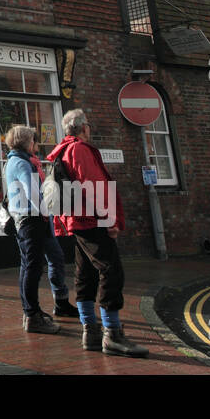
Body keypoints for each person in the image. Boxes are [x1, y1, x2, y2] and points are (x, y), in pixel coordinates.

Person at [46, 109, 149, 358]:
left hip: (77, 220)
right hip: (91, 220)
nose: (90, 129)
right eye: (89, 125)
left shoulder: (64, 150)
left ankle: (90, 331)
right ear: (83, 127)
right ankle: (112, 334)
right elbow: (94, 187)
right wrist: (109, 220)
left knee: (86, 274)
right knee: (111, 271)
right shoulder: (79, 150)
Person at [3, 125, 77, 334]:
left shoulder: (23, 161)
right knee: (32, 267)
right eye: (33, 140)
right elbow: (34, 194)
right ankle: (32, 315)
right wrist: (50, 212)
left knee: (49, 259)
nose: (36, 144)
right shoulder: (21, 163)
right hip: (30, 221)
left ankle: (49, 306)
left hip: (37, 220)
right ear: (26, 142)